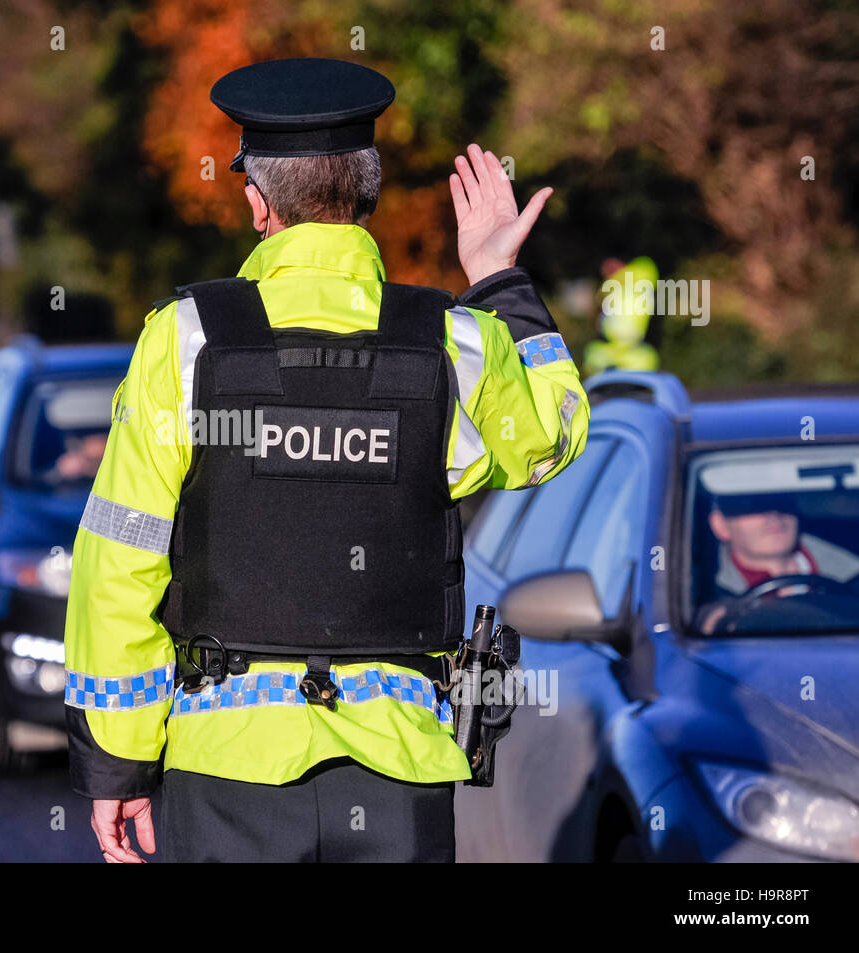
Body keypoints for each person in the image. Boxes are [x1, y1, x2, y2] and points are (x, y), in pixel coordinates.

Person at [63, 57, 590, 863]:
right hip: (399, 771)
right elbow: (553, 433)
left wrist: (116, 762)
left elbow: (120, 558)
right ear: (368, 193)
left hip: (226, 772)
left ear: (256, 200)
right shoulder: (455, 343)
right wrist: (500, 280)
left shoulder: (184, 339)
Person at [698, 496, 859, 633]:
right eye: (751, 503)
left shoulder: (852, 578)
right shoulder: (702, 597)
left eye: (780, 500)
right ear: (720, 525)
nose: (773, 514)